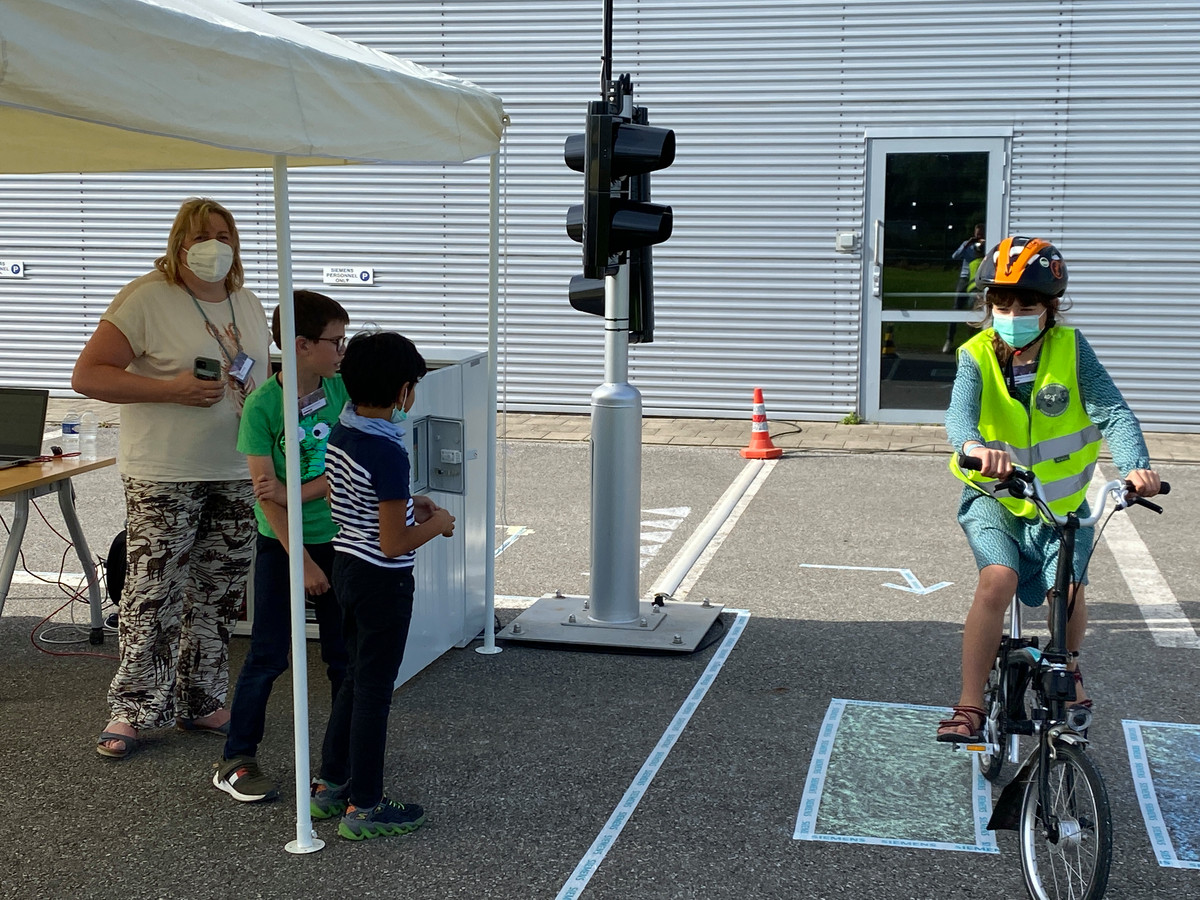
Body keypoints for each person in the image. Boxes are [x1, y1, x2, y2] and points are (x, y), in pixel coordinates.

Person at [937, 236, 1161, 741]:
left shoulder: (1071, 350)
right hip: (995, 495)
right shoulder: (975, 354)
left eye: (1027, 305)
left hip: (1060, 502)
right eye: (1002, 303)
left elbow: (1114, 413)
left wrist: (1136, 468)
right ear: (988, 304)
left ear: (1049, 308)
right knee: (997, 581)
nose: (1012, 313)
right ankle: (971, 703)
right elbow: (959, 414)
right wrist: (973, 446)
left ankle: (1069, 664)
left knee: (1071, 589)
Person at [73, 197, 271, 759]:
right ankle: (134, 707)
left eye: (224, 233)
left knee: (219, 593)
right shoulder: (146, 298)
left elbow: (255, 377)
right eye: (202, 234)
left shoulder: (247, 302)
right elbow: (89, 374)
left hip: (237, 469)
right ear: (179, 243)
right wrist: (171, 390)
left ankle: (202, 700)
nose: (214, 244)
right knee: (153, 590)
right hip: (166, 471)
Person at [309, 331, 455, 840]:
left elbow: (361, 503)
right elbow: (394, 543)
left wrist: (412, 502)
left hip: (346, 565)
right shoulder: (389, 451)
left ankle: (331, 785)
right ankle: (365, 806)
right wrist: (436, 523)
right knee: (374, 692)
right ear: (403, 392)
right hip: (381, 582)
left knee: (352, 679)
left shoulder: (343, 433)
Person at [212, 290, 352, 802]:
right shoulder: (263, 406)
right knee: (268, 655)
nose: (342, 351)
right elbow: (263, 496)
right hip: (284, 547)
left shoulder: (342, 392)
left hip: (340, 541)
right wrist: (304, 559)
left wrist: (298, 490)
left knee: (344, 657)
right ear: (301, 345)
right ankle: (237, 758)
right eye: (336, 341)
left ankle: (343, 755)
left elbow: (340, 474)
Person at [943, 223, 986, 354]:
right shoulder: (967, 244)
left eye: (981, 234)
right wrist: (968, 244)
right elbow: (955, 256)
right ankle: (949, 340)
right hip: (965, 277)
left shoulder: (985, 245)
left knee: (977, 309)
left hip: (977, 279)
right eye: (977, 234)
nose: (978, 236)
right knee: (956, 307)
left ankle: (973, 341)